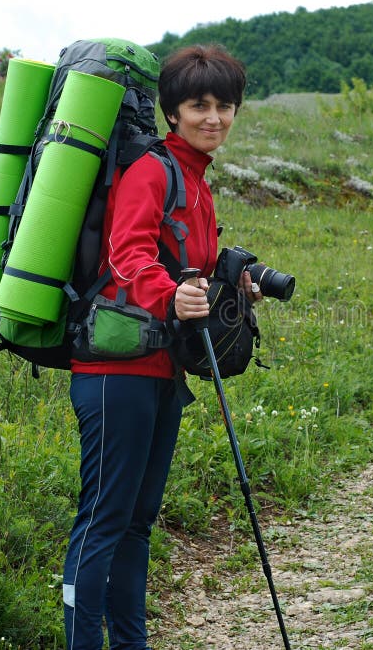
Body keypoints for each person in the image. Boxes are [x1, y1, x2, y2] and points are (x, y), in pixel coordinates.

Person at [62, 44, 262, 649]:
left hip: (160, 370)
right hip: (114, 371)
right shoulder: (153, 169)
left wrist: (232, 286)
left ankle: (130, 644)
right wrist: (172, 294)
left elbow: (185, 263)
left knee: (137, 525)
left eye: (225, 106)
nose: (215, 118)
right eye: (199, 105)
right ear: (170, 111)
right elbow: (128, 255)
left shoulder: (197, 180)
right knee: (102, 522)